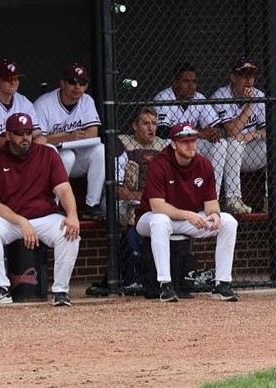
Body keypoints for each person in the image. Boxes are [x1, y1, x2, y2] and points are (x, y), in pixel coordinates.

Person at [0, 111, 82, 307]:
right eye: (19, 133)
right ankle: (0, 288)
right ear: (8, 135)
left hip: (44, 217)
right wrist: (21, 221)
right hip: (11, 220)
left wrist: (72, 215)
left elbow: (64, 189)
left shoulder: (48, 153)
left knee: (69, 231)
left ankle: (60, 291)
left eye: (28, 132)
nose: (25, 137)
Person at [137, 121, 239, 302]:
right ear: (174, 144)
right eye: (185, 142)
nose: (190, 145)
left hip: (185, 220)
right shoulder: (159, 164)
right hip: (150, 220)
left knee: (228, 221)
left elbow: (211, 202)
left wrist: (214, 214)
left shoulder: (204, 164)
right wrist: (189, 215)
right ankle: (165, 285)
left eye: (193, 141)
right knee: (160, 221)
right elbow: (157, 206)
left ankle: (222, 284)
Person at [31, 63, 105, 215]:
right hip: (48, 161)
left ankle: (92, 205)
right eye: (73, 81)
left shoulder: (86, 100)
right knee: (67, 156)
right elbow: (38, 140)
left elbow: (93, 132)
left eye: (82, 83)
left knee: (101, 150)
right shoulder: (44, 103)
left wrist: (57, 138)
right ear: (62, 83)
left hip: (76, 156)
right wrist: (68, 136)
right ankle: (54, 205)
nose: (78, 87)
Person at [111, 105, 167, 294]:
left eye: (154, 123)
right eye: (145, 124)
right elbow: (118, 190)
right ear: (135, 126)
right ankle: (132, 278)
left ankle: (164, 277)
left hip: (157, 203)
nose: (151, 128)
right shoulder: (122, 144)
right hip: (130, 203)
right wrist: (145, 199)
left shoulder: (165, 146)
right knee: (129, 218)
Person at [206, 58, 267, 215]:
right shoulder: (221, 95)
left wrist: (254, 134)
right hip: (227, 155)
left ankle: (271, 200)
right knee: (233, 142)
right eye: (244, 76)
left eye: (252, 76)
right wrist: (251, 104)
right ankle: (233, 200)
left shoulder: (260, 95)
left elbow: (272, 129)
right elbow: (233, 131)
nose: (249, 81)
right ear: (233, 77)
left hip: (249, 152)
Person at [151, 62, 219, 138]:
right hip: (172, 142)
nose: (191, 86)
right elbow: (162, 132)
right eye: (186, 81)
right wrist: (198, 133)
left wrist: (214, 133)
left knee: (220, 142)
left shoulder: (199, 98)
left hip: (192, 142)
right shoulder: (163, 98)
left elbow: (218, 126)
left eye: (194, 82)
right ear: (175, 82)